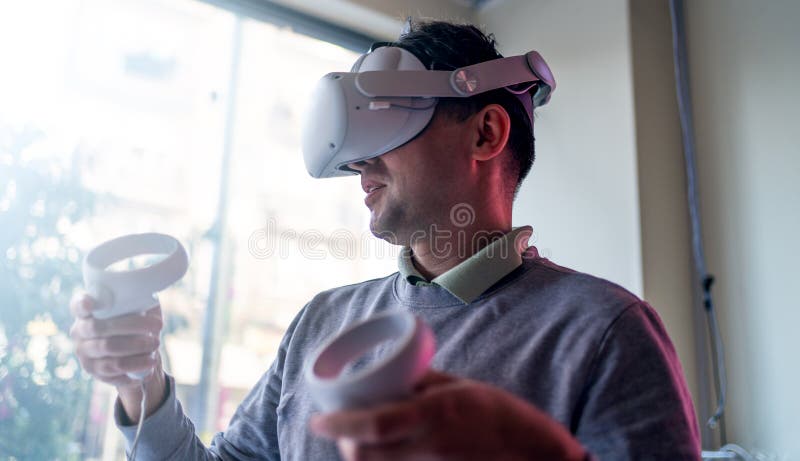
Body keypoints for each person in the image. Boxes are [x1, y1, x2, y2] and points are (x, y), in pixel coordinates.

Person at [70, 20, 701, 460]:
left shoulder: (604, 331)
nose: (356, 165)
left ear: (485, 134)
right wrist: (141, 382)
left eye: (389, 126)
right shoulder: (320, 326)